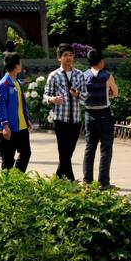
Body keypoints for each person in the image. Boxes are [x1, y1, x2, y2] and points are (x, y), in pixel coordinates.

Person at [44, 43, 87, 181]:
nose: (69, 58)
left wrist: (78, 94)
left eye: (71, 55)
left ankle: (57, 178)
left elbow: (86, 96)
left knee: (68, 153)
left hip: (75, 119)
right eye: (65, 55)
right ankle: (71, 181)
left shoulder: (79, 74)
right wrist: (52, 99)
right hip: (60, 119)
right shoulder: (54, 76)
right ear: (59, 58)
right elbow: (45, 97)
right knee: (63, 152)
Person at [81, 49, 118, 188]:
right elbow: (115, 92)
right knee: (106, 149)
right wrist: (108, 95)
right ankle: (103, 182)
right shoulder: (107, 76)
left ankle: (87, 181)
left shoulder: (83, 76)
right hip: (105, 114)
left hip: (89, 115)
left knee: (90, 148)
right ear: (101, 62)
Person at [0, 53, 32, 172]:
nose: (21, 65)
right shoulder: (4, 83)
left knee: (26, 153)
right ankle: (7, 185)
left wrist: (27, 120)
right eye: (20, 63)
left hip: (22, 126)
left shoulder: (17, 82)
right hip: (9, 127)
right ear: (16, 66)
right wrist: (5, 125)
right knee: (8, 159)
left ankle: (17, 178)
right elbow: (0, 106)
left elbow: (21, 104)